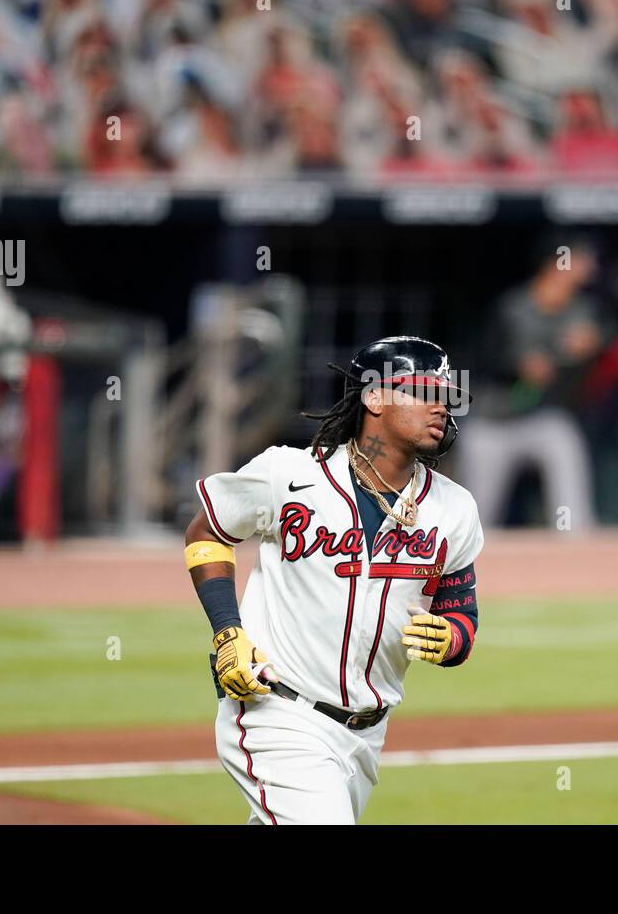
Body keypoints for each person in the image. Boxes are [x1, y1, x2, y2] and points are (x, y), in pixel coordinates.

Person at [184, 337, 483, 825]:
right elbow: (208, 532)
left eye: (447, 397)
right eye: (425, 392)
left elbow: (461, 614)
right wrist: (227, 632)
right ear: (374, 397)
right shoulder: (288, 474)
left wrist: (452, 638)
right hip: (276, 712)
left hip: (366, 736)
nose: (441, 408)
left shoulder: (454, 508)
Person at [459, 237, 601, 531]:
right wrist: (518, 367)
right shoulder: (513, 307)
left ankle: (577, 541)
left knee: (563, 440)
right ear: (556, 263)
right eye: (582, 259)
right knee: (477, 521)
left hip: (540, 419)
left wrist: (591, 348)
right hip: (492, 422)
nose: (590, 267)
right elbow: (483, 358)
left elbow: (604, 346)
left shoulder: (584, 310)